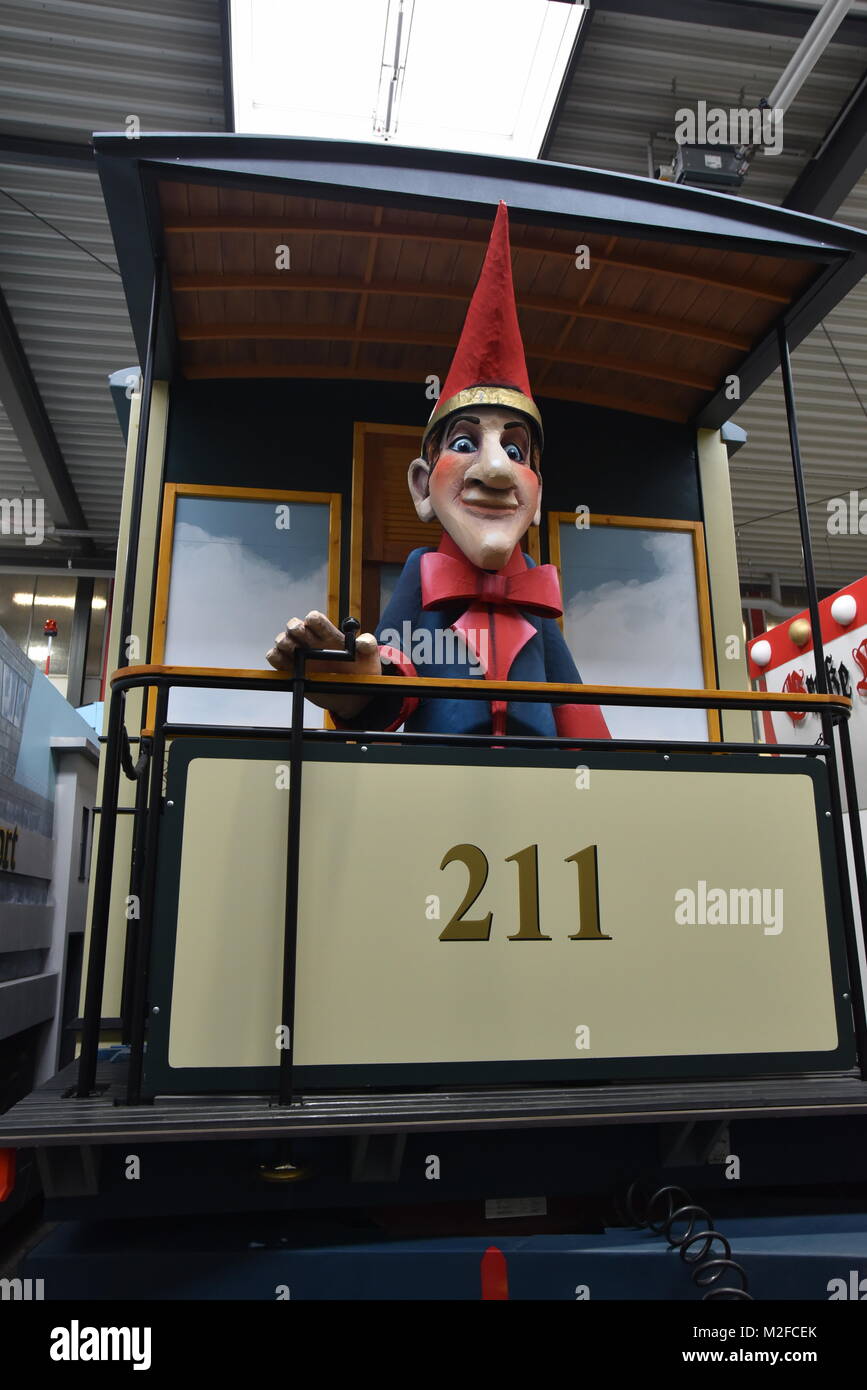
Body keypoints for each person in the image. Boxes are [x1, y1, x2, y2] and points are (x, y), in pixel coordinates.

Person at [266, 202, 610, 740]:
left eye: (517, 453)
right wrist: (355, 686)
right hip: (437, 793)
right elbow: (397, 674)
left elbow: (573, 705)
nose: (495, 468)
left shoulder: (537, 598)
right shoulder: (421, 575)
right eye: (467, 442)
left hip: (545, 803)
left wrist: (617, 781)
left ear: (539, 497)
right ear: (423, 487)